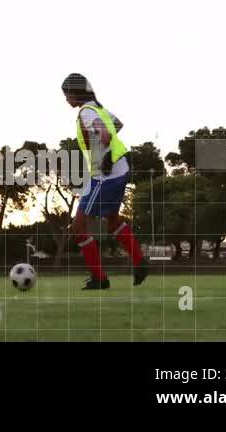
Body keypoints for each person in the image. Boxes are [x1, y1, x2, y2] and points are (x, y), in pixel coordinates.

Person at [62, 73, 148, 290]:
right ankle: (139, 262)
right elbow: (118, 124)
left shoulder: (87, 112)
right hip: (119, 170)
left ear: (76, 93)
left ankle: (100, 278)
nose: (66, 99)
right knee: (112, 221)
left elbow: (106, 134)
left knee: (79, 227)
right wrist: (106, 144)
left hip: (106, 175)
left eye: (66, 94)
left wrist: (105, 152)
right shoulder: (97, 107)